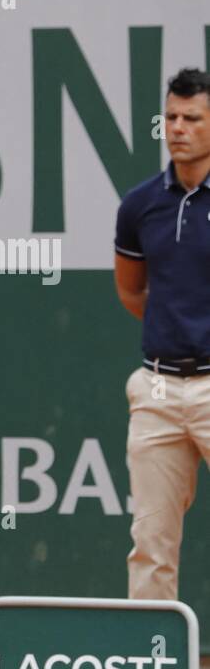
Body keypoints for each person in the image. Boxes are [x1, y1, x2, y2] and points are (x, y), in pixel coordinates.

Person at [114, 67, 210, 600]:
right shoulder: (139, 205)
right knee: (150, 543)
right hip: (156, 391)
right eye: (170, 117)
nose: (177, 128)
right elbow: (132, 293)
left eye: (192, 118)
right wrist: (174, 333)